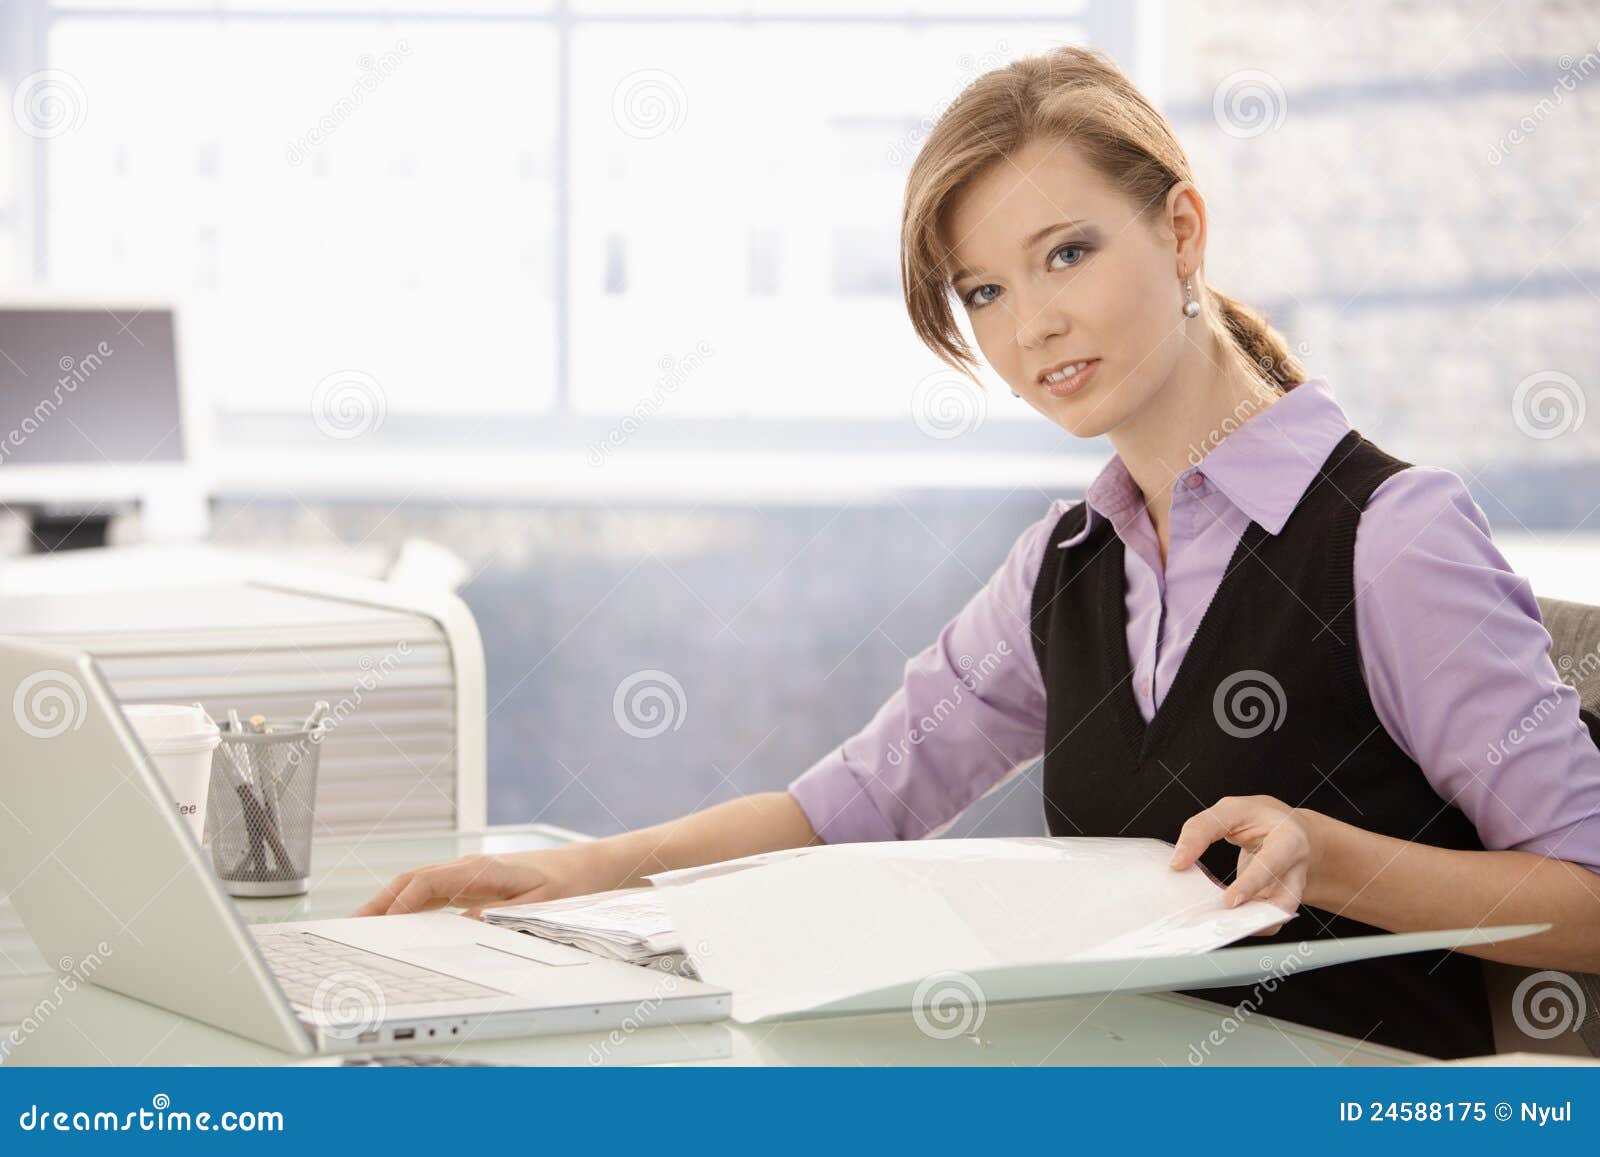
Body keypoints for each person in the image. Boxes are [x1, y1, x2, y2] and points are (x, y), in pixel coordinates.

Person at [357, 45, 1600, 1059]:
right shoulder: (1068, 561)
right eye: (984, 292)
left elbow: (1588, 899)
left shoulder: (1390, 537)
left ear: (1181, 231)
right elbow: (847, 807)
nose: (1031, 324)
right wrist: (577, 871)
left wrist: (1332, 858)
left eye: (1067, 253)